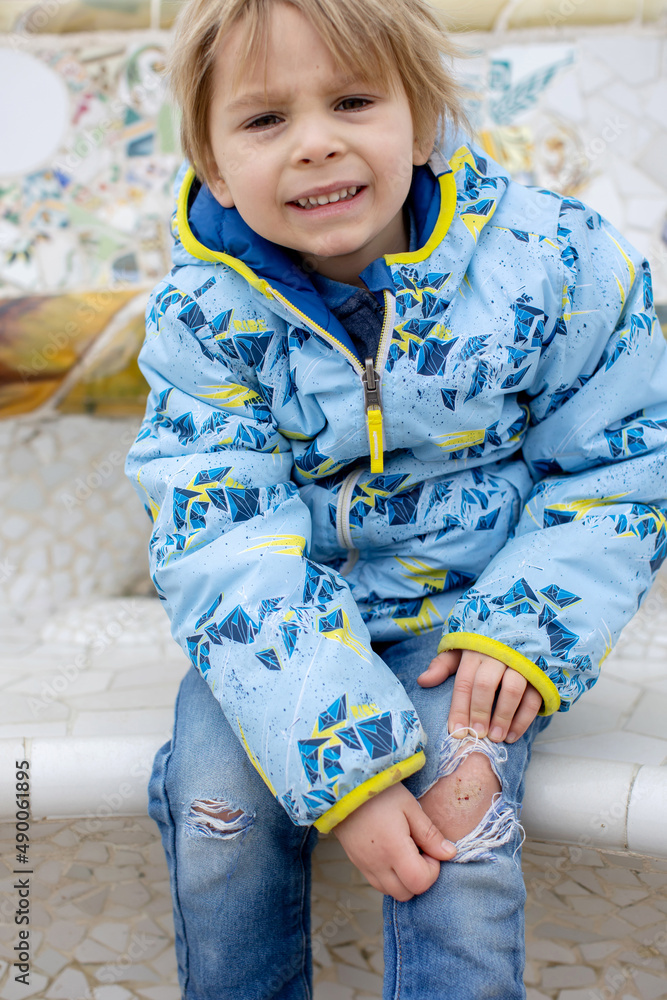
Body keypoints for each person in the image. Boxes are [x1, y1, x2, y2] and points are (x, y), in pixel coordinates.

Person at [125, 0, 667, 996]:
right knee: (220, 816)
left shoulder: (551, 263)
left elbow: (619, 464)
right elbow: (220, 535)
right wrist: (346, 771)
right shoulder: (202, 321)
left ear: (419, 120)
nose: (315, 143)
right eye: (264, 120)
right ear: (208, 160)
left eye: (353, 100)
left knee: (460, 838)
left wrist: (523, 629)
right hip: (279, 631)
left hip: (472, 616)